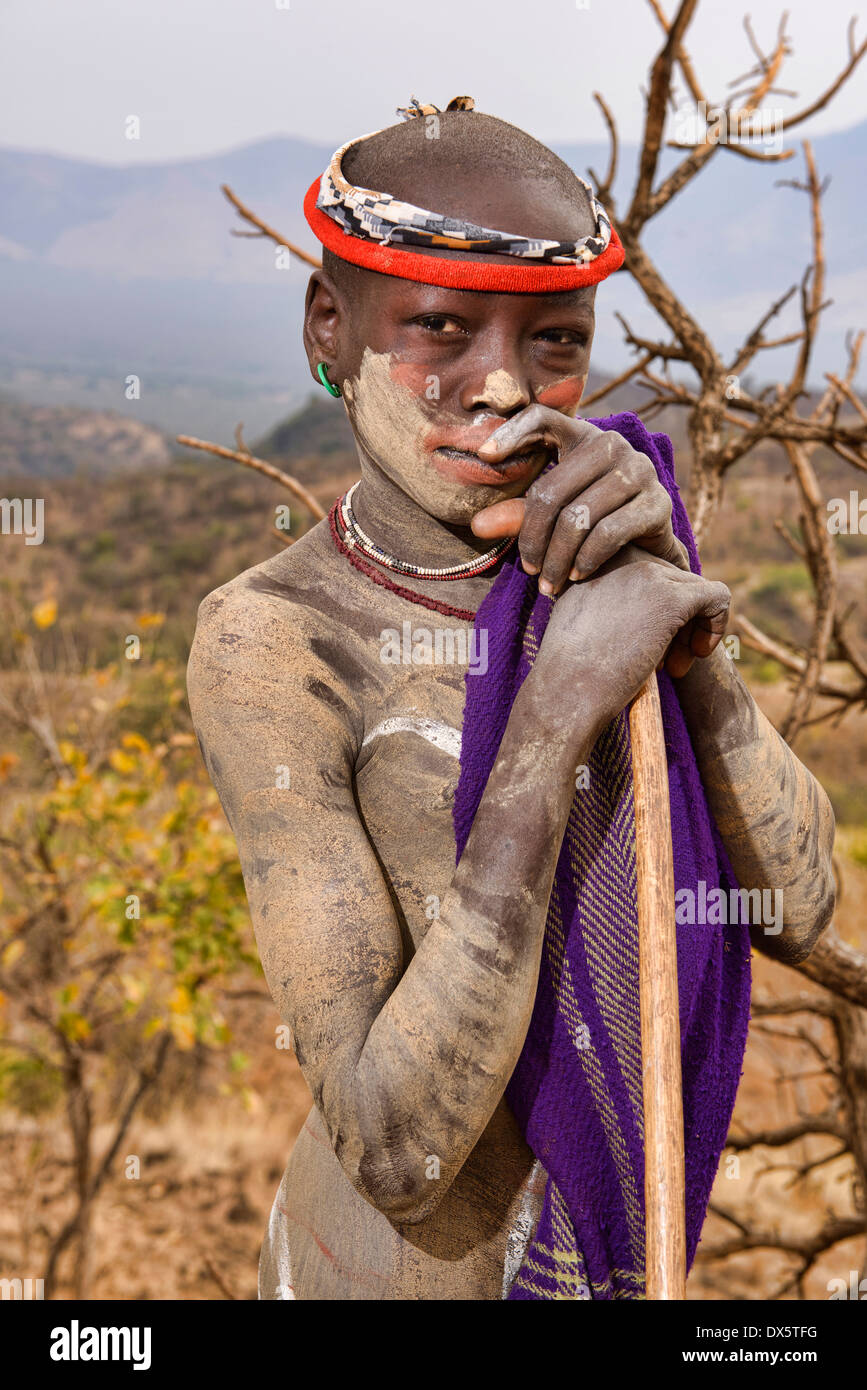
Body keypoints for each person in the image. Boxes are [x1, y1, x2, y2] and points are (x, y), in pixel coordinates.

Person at [186, 99, 835, 1300]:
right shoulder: (273, 639)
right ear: (331, 326)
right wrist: (549, 720)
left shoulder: (607, 558)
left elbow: (800, 910)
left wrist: (694, 657)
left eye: (555, 342)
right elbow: (394, 1144)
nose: (502, 386)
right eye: (440, 328)